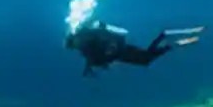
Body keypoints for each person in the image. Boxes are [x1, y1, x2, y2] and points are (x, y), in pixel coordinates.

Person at [65, 20, 204, 76]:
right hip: (122, 54)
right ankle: (175, 43)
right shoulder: (85, 48)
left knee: (148, 54)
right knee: (146, 60)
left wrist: (109, 51)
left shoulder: (91, 36)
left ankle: (173, 35)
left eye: (73, 44)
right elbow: (96, 59)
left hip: (123, 49)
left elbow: (107, 39)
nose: (76, 46)